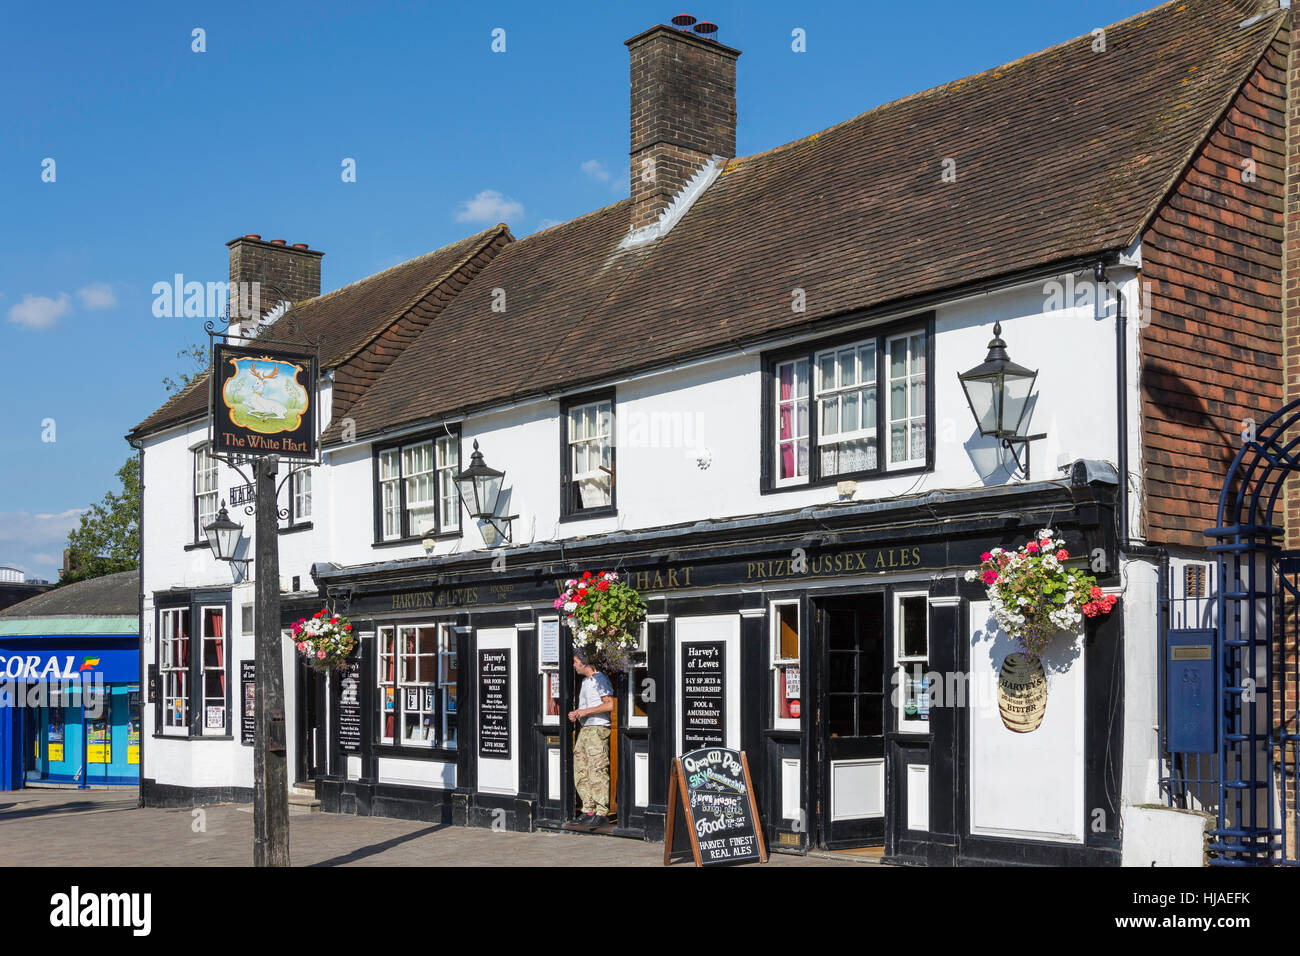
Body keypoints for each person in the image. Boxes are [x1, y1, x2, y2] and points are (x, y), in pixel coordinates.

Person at [568, 651, 615, 830]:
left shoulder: (599, 679)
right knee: (581, 769)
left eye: (575, 661)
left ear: (584, 662)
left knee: (597, 769)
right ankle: (588, 810)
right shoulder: (586, 682)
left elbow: (609, 704)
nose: (573, 665)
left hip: (597, 728)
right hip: (586, 729)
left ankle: (602, 812)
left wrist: (585, 712)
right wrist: (577, 714)